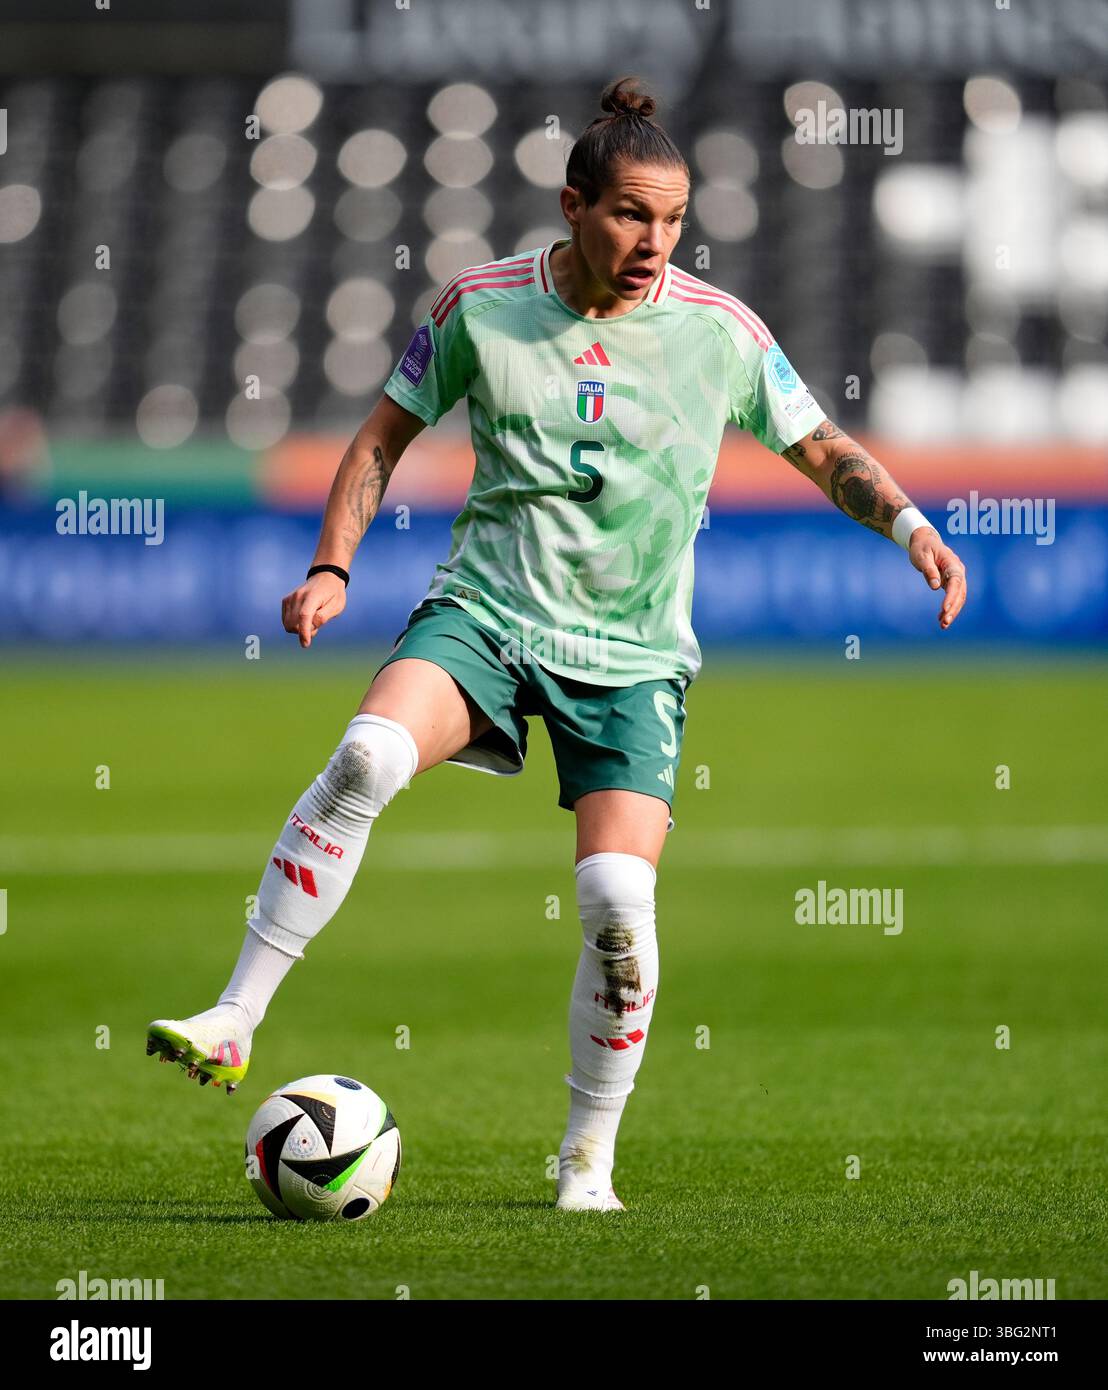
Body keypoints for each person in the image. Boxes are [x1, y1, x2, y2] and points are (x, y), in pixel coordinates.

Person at [147, 76, 967, 1212]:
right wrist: (332, 565)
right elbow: (384, 435)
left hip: (632, 657)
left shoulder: (719, 333)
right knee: (367, 758)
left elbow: (821, 447)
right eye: (633, 213)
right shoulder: (480, 306)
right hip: (488, 612)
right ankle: (234, 1015)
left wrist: (913, 525)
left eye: (674, 219)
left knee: (616, 903)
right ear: (573, 203)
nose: (656, 241)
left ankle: (586, 1160)